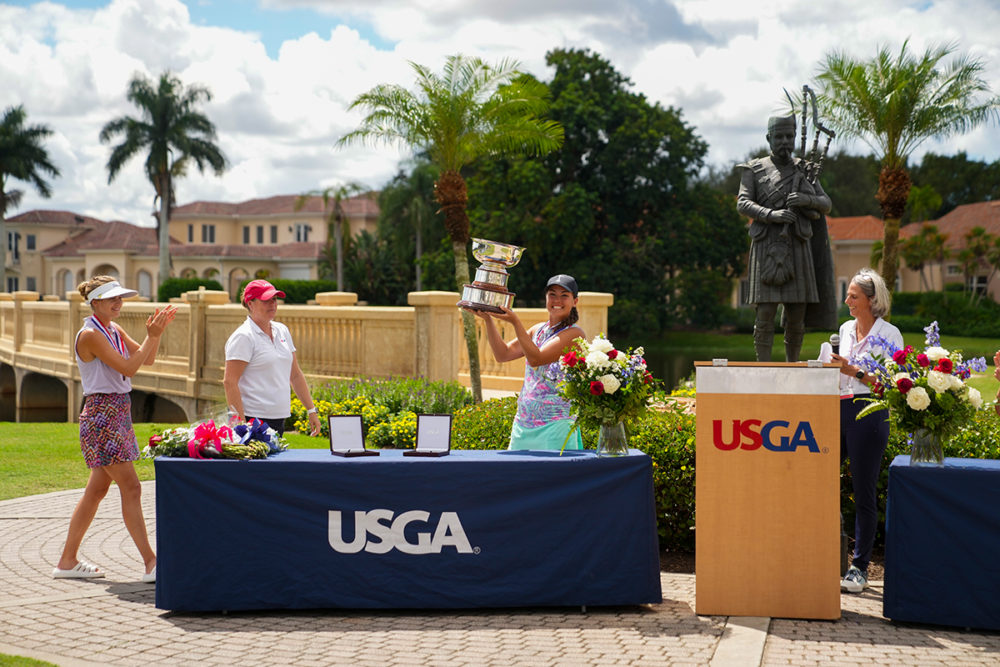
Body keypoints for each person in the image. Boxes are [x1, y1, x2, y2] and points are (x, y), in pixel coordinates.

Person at [54, 276, 178, 582]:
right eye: (112, 298)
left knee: (96, 491)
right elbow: (128, 368)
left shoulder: (112, 328)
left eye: (120, 298)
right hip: (102, 416)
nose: (118, 303)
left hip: (117, 413)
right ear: (95, 302)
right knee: (132, 487)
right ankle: (151, 563)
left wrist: (155, 335)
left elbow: (146, 359)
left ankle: (67, 562)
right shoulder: (90, 334)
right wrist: (152, 334)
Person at [738, 114, 833, 362]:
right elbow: (743, 202)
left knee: (796, 314)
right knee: (765, 313)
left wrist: (806, 200)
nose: (785, 141)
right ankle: (764, 367)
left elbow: (826, 203)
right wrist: (772, 214)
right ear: (769, 138)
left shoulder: (805, 169)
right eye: (779, 136)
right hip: (766, 244)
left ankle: (793, 366)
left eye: (789, 136)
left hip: (798, 246)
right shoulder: (753, 169)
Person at [831, 268, 903, 593]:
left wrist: (853, 370)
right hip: (838, 407)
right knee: (821, 480)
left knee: (863, 491)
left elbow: (892, 384)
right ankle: (823, 555)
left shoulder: (891, 335)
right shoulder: (845, 328)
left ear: (871, 301)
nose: (847, 299)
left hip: (869, 413)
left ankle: (859, 568)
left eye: (853, 296)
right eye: (848, 294)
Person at [469, 274, 585, 450]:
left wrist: (515, 322)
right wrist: (488, 320)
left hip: (555, 425)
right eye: (552, 294)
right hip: (523, 423)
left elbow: (536, 359)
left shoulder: (575, 334)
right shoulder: (537, 330)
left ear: (575, 301)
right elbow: (503, 354)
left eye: (564, 295)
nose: (557, 300)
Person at [223, 279, 321, 437]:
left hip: (278, 419)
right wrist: (241, 426)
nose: (272, 304)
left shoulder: (282, 330)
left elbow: (295, 375)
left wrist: (311, 411)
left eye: (274, 299)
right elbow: (230, 382)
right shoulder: (243, 336)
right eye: (266, 300)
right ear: (250, 303)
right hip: (252, 420)